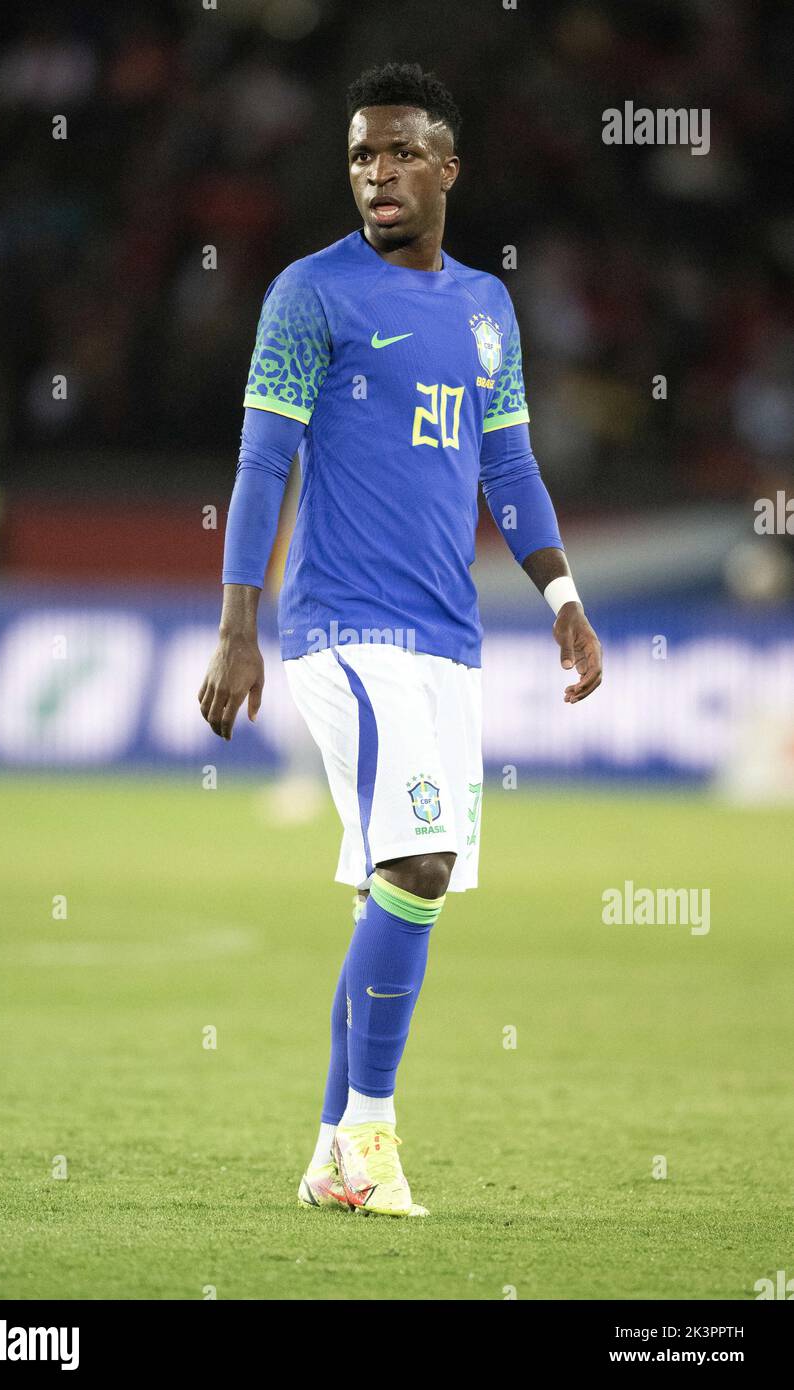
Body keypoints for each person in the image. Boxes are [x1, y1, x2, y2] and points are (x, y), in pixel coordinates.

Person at [198, 62, 602, 1217]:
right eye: (359, 157)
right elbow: (263, 459)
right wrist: (239, 626)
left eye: (397, 153)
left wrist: (561, 596)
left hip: (447, 642)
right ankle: (368, 1145)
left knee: (400, 889)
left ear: (446, 168)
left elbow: (507, 463)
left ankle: (331, 1155)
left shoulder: (485, 306)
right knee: (415, 864)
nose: (375, 174)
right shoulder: (306, 296)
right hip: (342, 630)